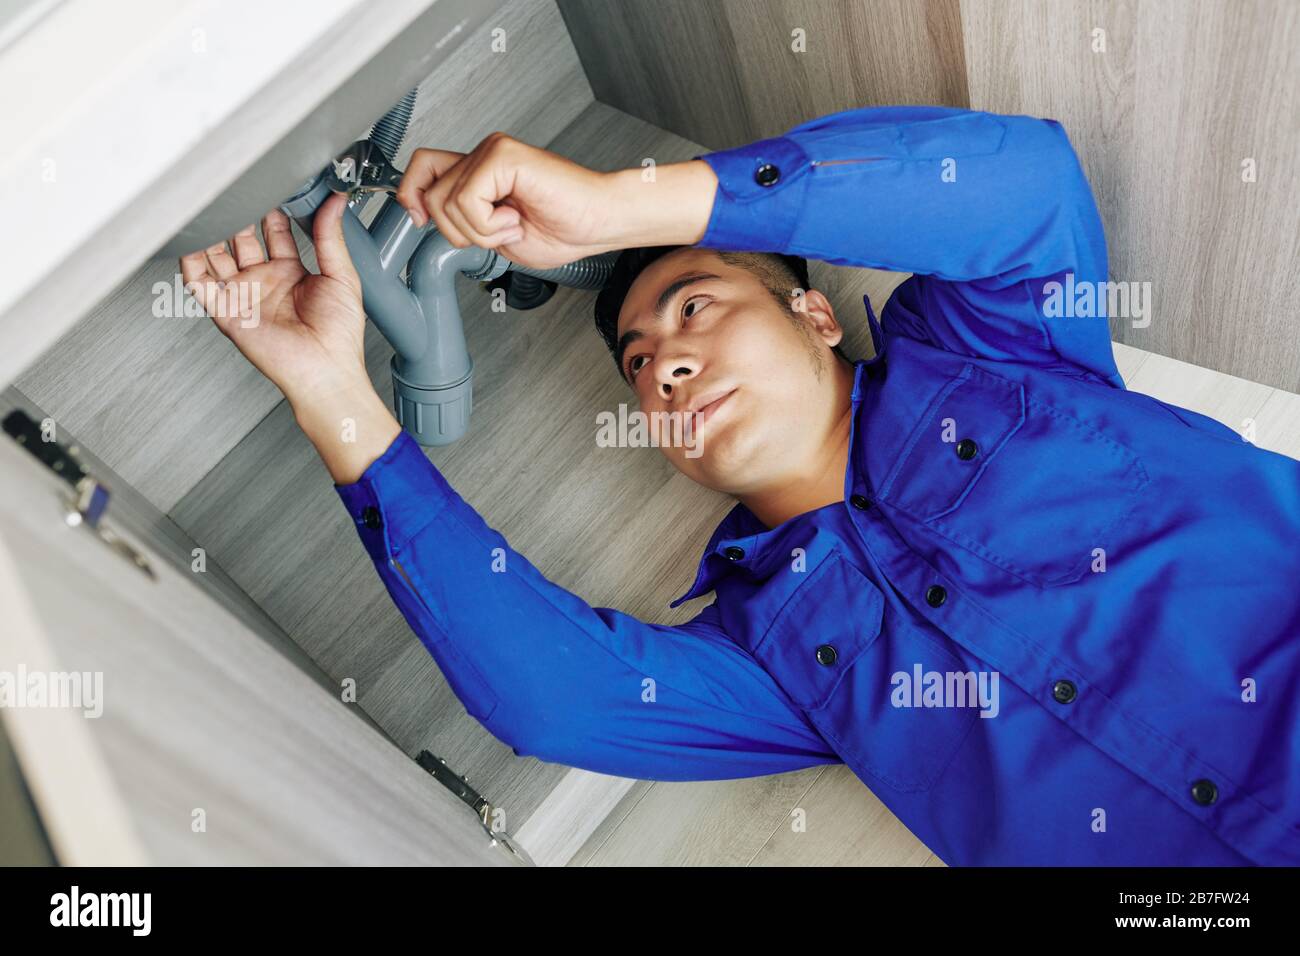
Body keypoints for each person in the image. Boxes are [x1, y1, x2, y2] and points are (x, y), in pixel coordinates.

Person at [180, 105, 1300, 866]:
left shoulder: (997, 352)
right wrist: (331, 392)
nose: (659, 360)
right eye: (636, 360)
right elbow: (559, 699)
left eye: (694, 307)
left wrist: (626, 209)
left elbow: (1027, 185)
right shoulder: (770, 646)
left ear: (813, 316)